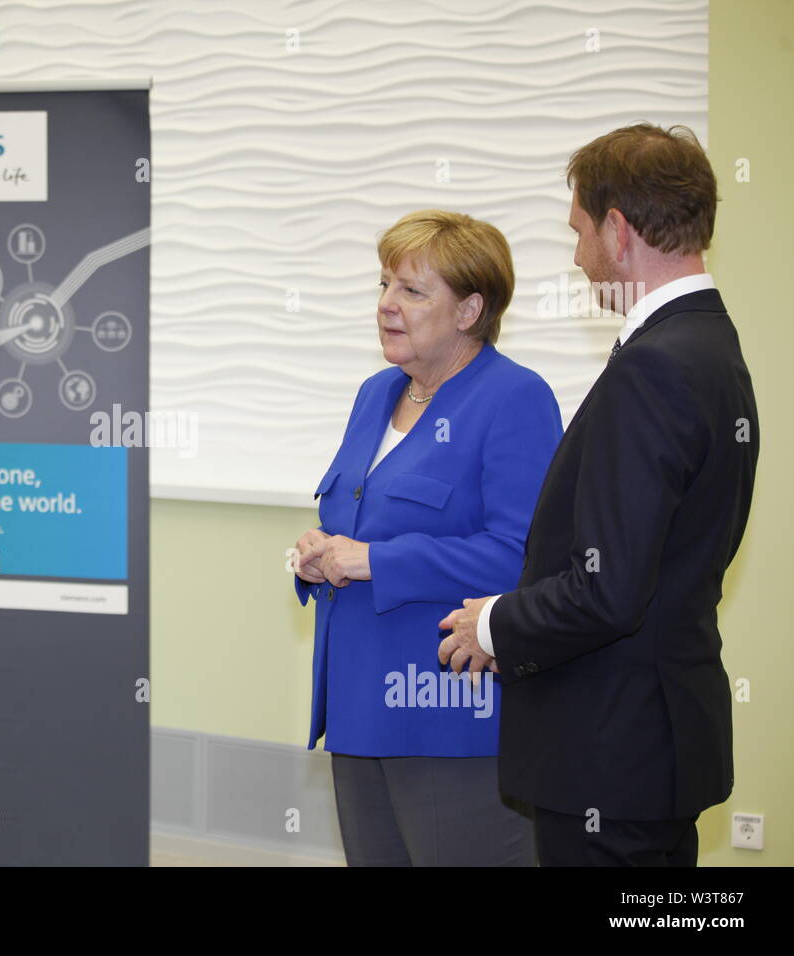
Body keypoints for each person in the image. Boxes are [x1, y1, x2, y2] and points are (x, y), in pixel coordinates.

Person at [438, 124, 759, 866]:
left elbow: (608, 589)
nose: (577, 256)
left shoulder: (655, 367)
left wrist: (496, 624)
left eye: (579, 231)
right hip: (660, 742)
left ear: (618, 230)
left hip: (611, 755)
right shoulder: (713, 345)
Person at [292, 210, 562, 866]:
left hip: (449, 713)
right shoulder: (376, 392)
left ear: (471, 309)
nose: (387, 305)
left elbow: (522, 555)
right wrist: (316, 555)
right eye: (383, 286)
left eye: (412, 291)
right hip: (356, 706)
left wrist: (374, 561)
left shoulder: (514, 398)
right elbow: (352, 523)